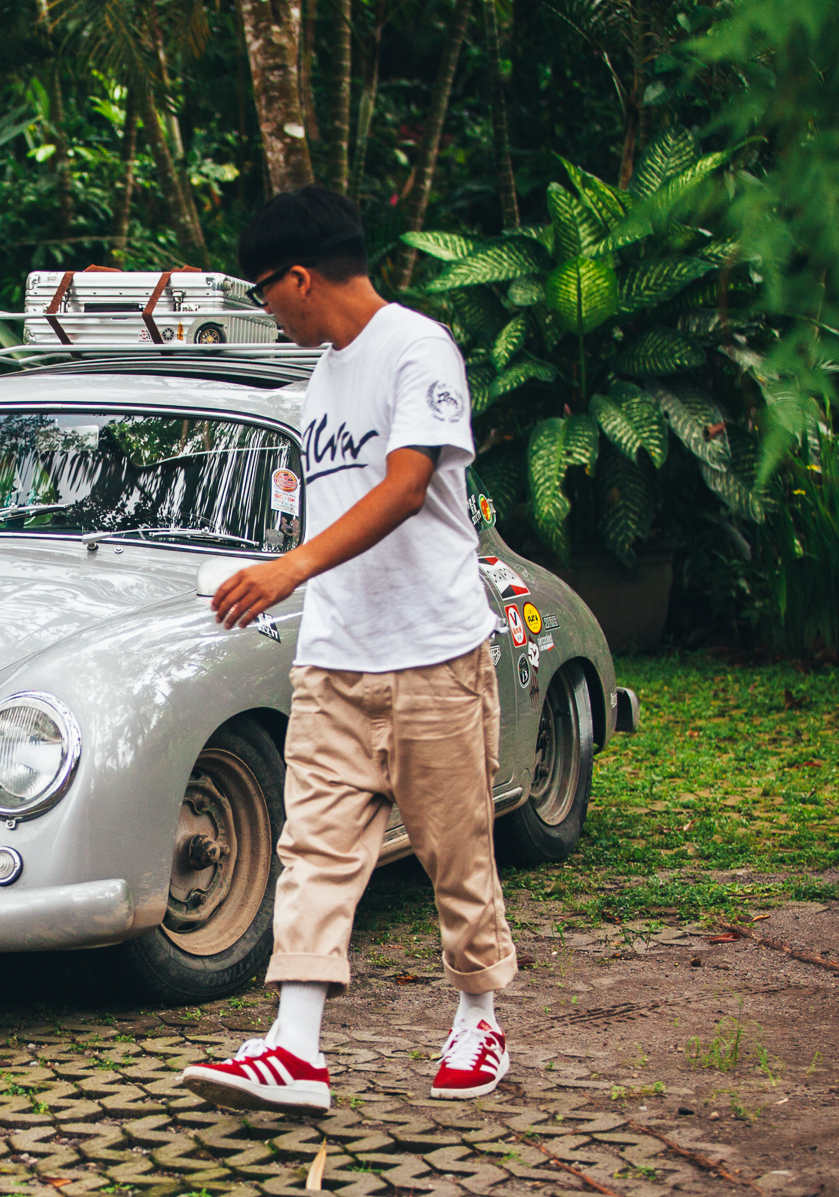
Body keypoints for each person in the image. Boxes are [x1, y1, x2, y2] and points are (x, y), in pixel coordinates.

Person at [180, 186, 514, 1115]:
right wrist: (280, 578)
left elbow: (408, 488)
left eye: (263, 292)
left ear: (298, 277)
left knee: (457, 852)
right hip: (335, 657)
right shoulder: (322, 378)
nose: (267, 311)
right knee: (314, 850)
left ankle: (478, 1018)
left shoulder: (416, 347)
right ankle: (295, 1047)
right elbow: (332, 510)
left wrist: (288, 571)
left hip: (433, 653)